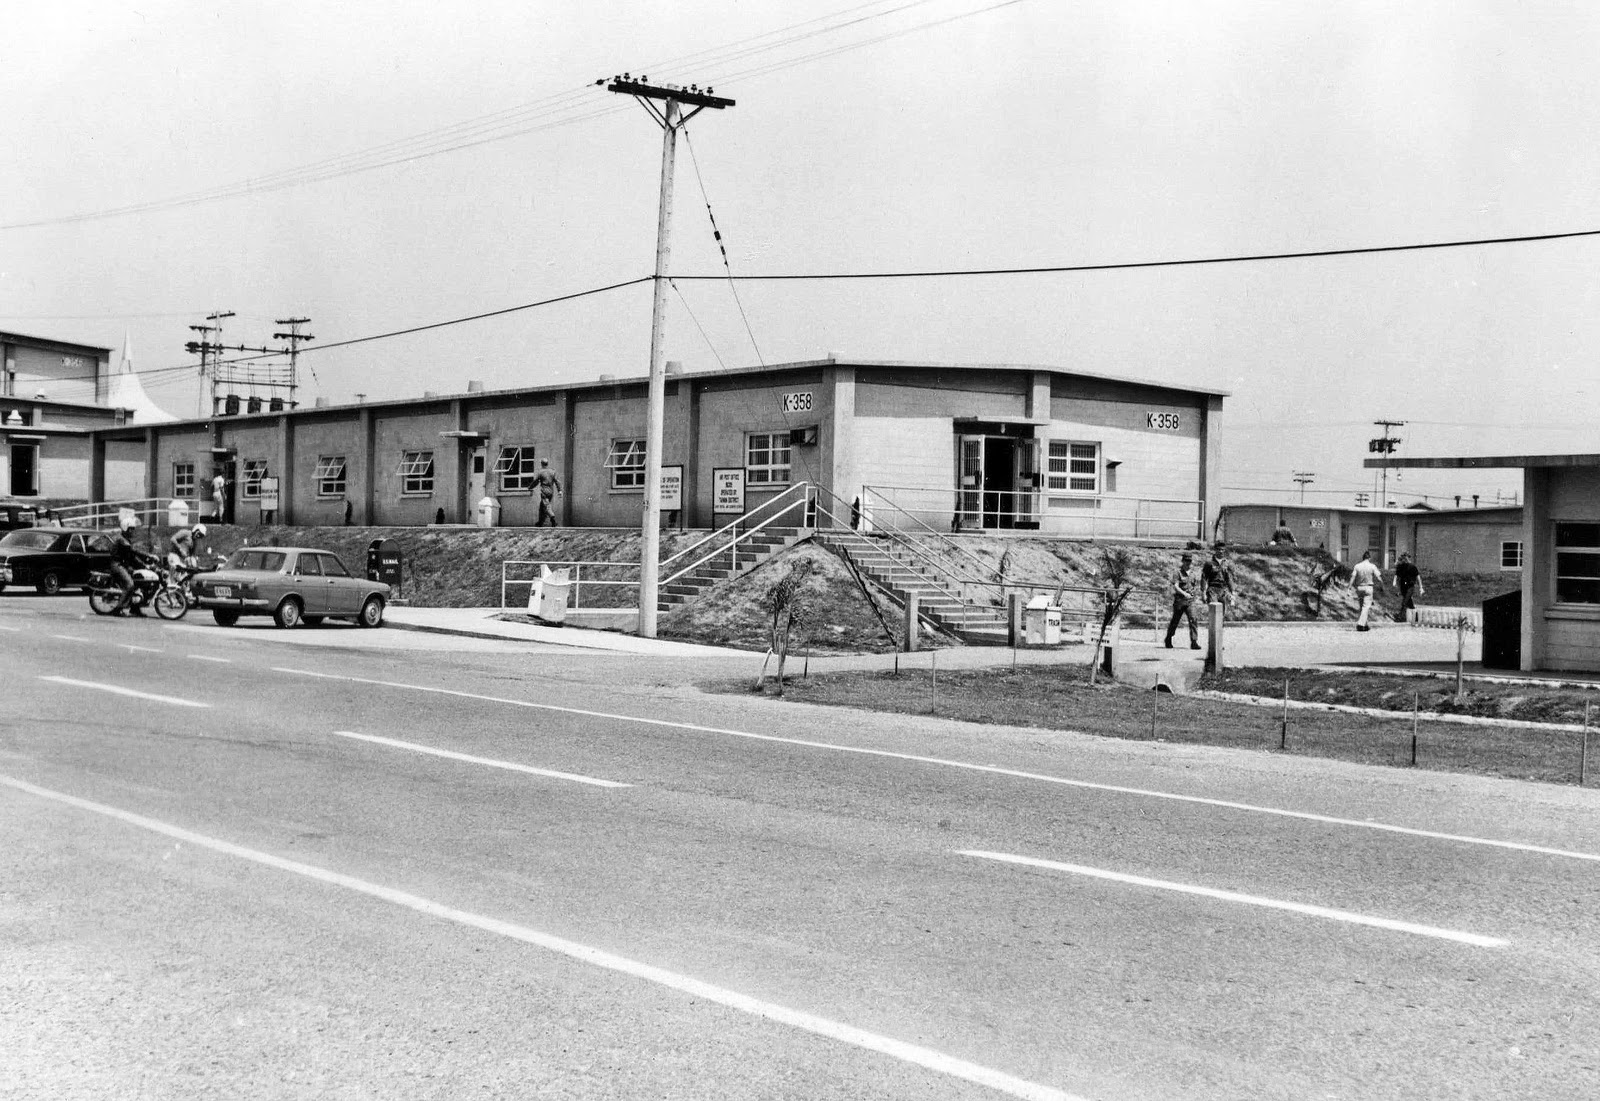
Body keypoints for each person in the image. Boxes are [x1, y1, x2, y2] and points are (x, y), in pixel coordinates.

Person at [109, 519, 156, 616]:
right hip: (117, 565)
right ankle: (117, 609)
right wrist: (148, 557)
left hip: (124, 565)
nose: (132, 532)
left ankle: (135, 608)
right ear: (125, 528)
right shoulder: (121, 540)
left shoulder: (126, 539)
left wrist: (145, 563)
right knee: (130, 585)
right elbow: (133, 553)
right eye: (130, 529)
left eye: (133, 529)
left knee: (140, 582)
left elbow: (132, 555)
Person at [1163, 554, 1202, 650]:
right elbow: (1176, 586)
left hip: (1190, 601)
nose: (1188, 563)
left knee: (1193, 619)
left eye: (1190, 561)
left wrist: (1194, 593)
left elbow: (1195, 585)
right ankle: (1169, 637)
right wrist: (1184, 594)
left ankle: (1194, 641)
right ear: (1183, 561)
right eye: (1186, 561)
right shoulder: (1178, 573)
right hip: (1180, 600)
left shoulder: (1193, 573)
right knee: (1175, 620)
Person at [1350, 549, 1384, 632]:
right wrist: (1382, 585)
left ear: (1363, 558)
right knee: (1366, 607)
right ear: (1369, 558)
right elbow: (1378, 577)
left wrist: (1349, 587)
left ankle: (1365, 625)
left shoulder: (1357, 566)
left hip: (1359, 587)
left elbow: (1353, 577)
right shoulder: (1372, 566)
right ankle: (1360, 624)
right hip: (1368, 587)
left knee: (1362, 607)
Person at [1201, 542, 1235, 616]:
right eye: (1219, 549)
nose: (1221, 551)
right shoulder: (1209, 563)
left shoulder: (1227, 563)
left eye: (1222, 550)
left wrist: (1232, 592)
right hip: (1212, 590)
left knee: (1221, 613)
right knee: (1214, 612)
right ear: (1215, 550)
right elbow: (1204, 578)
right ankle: (1213, 627)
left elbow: (1229, 579)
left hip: (1223, 590)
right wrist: (1203, 593)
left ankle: (1220, 627)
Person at [1393, 552, 1424, 622]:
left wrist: (1421, 587)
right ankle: (1416, 617)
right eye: (1403, 558)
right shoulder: (1401, 566)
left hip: (1410, 586)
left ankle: (1400, 616)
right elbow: (1397, 575)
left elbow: (1418, 577)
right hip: (1403, 586)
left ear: (1408, 558)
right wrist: (1395, 583)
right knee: (1409, 603)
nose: (1405, 559)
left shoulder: (1413, 567)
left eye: (1406, 558)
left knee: (1405, 601)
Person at [533, 458, 562, 527]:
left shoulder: (540, 472)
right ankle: (540, 522)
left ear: (541, 464)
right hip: (551, 492)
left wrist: (530, 487)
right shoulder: (552, 472)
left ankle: (553, 519)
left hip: (544, 492)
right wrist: (559, 490)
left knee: (546, 506)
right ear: (547, 464)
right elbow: (557, 482)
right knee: (542, 507)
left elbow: (536, 482)